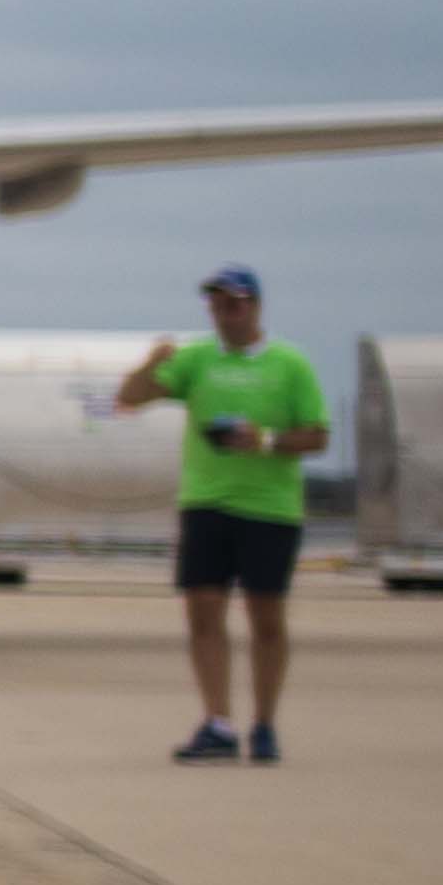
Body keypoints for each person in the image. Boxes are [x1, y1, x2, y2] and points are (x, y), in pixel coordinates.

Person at [116, 266, 325, 767]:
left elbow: (317, 436)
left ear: (254, 307)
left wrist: (266, 441)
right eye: (215, 305)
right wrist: (150, 364)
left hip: (270, 508)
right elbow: (129, 398)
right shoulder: (198, 358)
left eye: (232, 304)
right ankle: (217, 721)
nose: (223, 314)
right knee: (203, 612)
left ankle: (266, 723)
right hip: (207, 503)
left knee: (266, 619)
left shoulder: (290, 364)